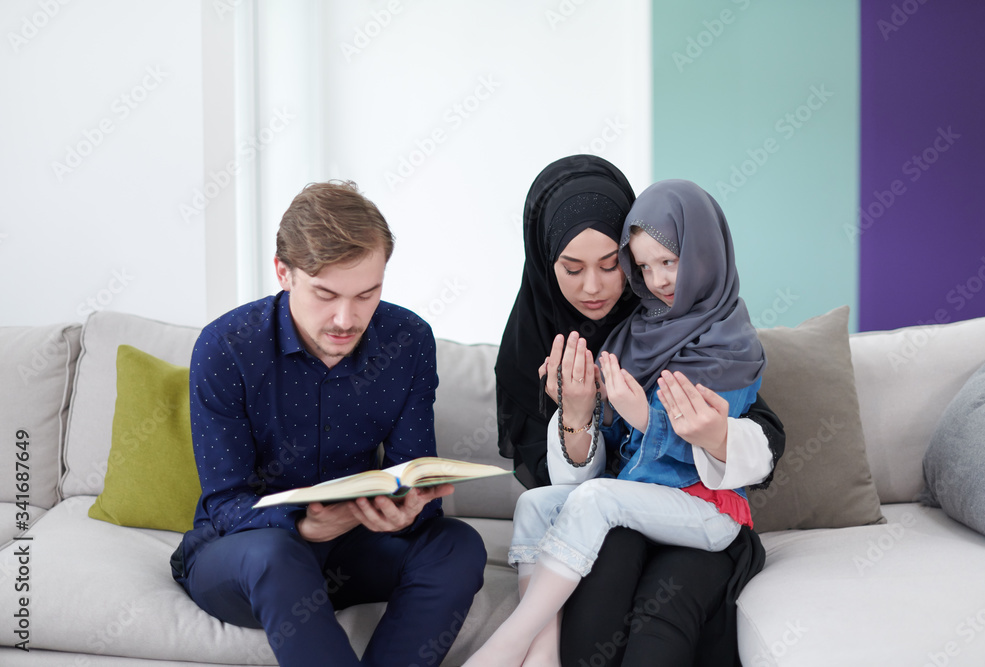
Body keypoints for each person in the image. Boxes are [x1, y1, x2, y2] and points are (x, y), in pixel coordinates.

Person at [169, 181, 486, 667]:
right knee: (276, 554)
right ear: (284, 272)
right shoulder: (226, 347)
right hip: (245, 556)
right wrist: (306, 526)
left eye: (367, 294)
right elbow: (225, 503)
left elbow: (411, 473)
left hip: (355, 547)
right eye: (325, 293)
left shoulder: (409, 340)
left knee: (458, 546)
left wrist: (408, 512)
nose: (346, 318)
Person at [492, 156, 785, 667]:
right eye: (571, 267)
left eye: (611, 265)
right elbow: (564, 489)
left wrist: (696, 433)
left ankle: (514, 644)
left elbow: (759, 434)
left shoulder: (703, 325)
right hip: (607, 518)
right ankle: (538, 651)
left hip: (695, 512)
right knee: (580, 554)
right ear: (544, 261)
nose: (595, 287)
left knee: (662, 618)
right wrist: (578, 417)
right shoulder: (546, 350)